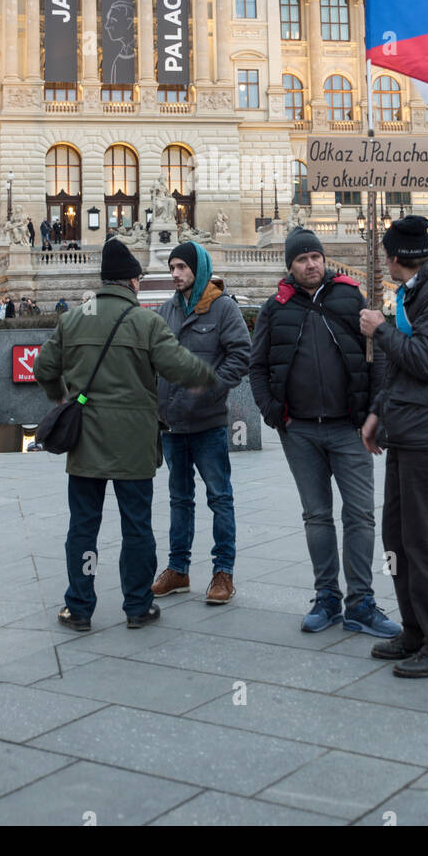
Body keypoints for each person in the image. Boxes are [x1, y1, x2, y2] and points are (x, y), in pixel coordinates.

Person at [34, 237, 219, 632]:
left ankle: (79, 608)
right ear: (133, 282)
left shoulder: (74, 317)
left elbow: (44, 369)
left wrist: (64, 398)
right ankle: (137, 605)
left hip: (85, 440)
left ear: (104, 281)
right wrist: (210, 379)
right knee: (136, 526)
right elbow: (180, 367)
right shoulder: (146, 322)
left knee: (83, 525)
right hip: (134, 442)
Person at [249, 226, 400, 638]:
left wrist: (375, 412)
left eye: (315, 256)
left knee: (360, 515)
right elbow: (257, 366)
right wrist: (271, 413)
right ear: (290, 266)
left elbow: (379, 359)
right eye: (301, 259)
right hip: (300, 433)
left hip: (350, 429)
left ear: (323, 258)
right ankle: (327, 598)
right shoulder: (274, 308)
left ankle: (361, 603)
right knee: (316, 516)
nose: (310, 264)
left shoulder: (351, 297)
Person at [359, 215, 428, 679]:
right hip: (407, 429)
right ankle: (416, 632)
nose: (384, 261)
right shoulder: (416, 291)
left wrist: (380, 330)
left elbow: (424, 360)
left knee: (424, 542)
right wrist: (378, 413)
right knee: (398, 540)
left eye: (386, 254)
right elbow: (401, 370)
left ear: (400, 257)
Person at [152, 241, 251, 605]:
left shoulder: (223, 308)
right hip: (172, 425)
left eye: (181, 267)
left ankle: (223, 573)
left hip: (208, 423)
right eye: (172, 267)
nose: (175, 273)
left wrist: (209, 388)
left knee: (220, 498)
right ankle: (178, 570)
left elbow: (242, 355)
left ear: (199, 269)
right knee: (179, 499)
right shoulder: (165, 310)